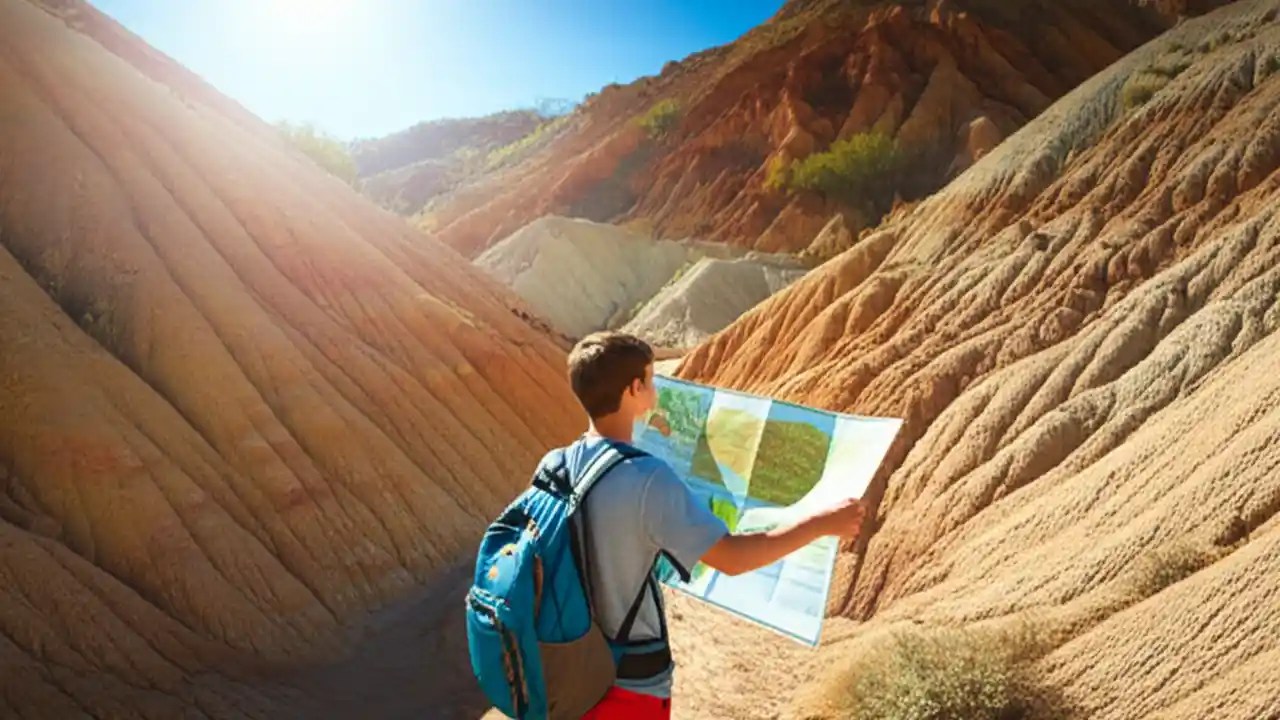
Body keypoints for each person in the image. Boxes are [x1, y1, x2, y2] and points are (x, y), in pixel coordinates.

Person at [565, 331, 867, 720]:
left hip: (568, 670)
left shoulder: (559, 463)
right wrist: (822, 523)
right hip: (625, 686)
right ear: (635, 389)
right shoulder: (647, 479)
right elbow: (732, 558)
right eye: (651, 380)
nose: (656, 388)